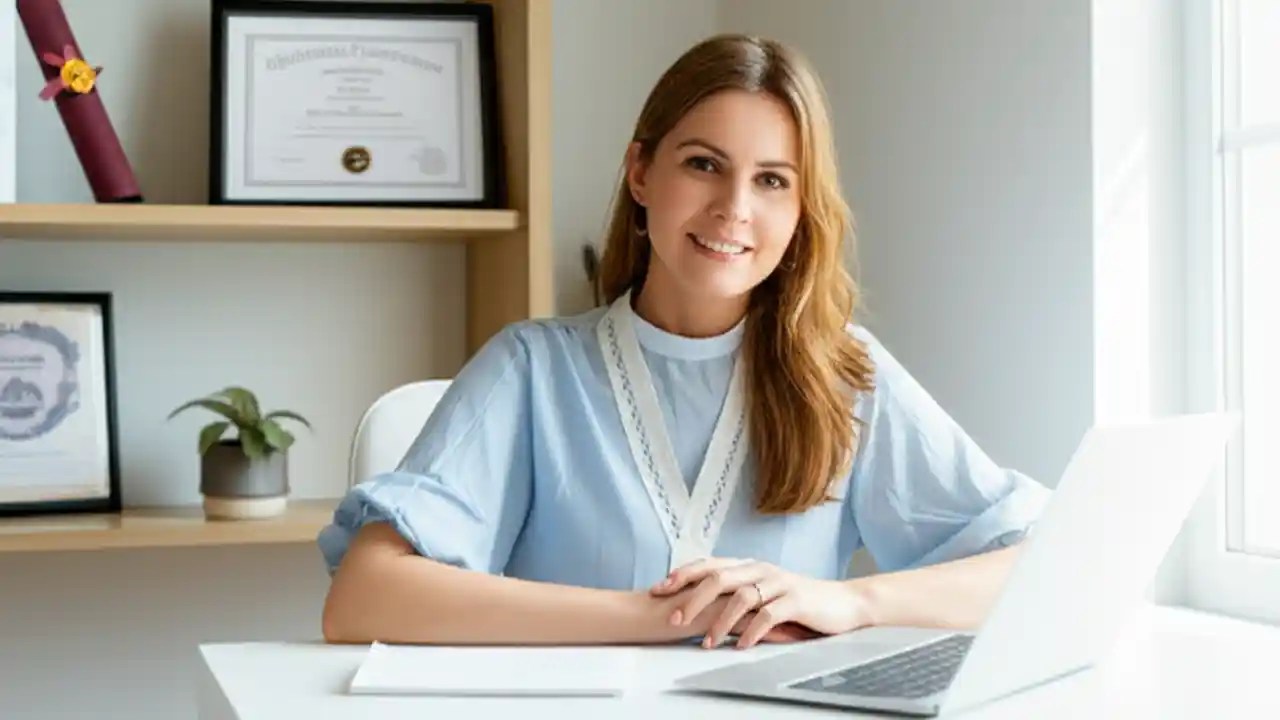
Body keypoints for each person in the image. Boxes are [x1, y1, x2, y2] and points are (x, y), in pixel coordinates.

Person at [317, 33, 1050, 651]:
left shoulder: (845, 374)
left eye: (771, 181)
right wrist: (657, 615)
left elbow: (1043, 564)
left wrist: (849, 603)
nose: (734, 209)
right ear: (641, 173)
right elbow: (363, 599)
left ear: (801, 210)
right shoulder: (533, 369)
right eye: (704, 164)